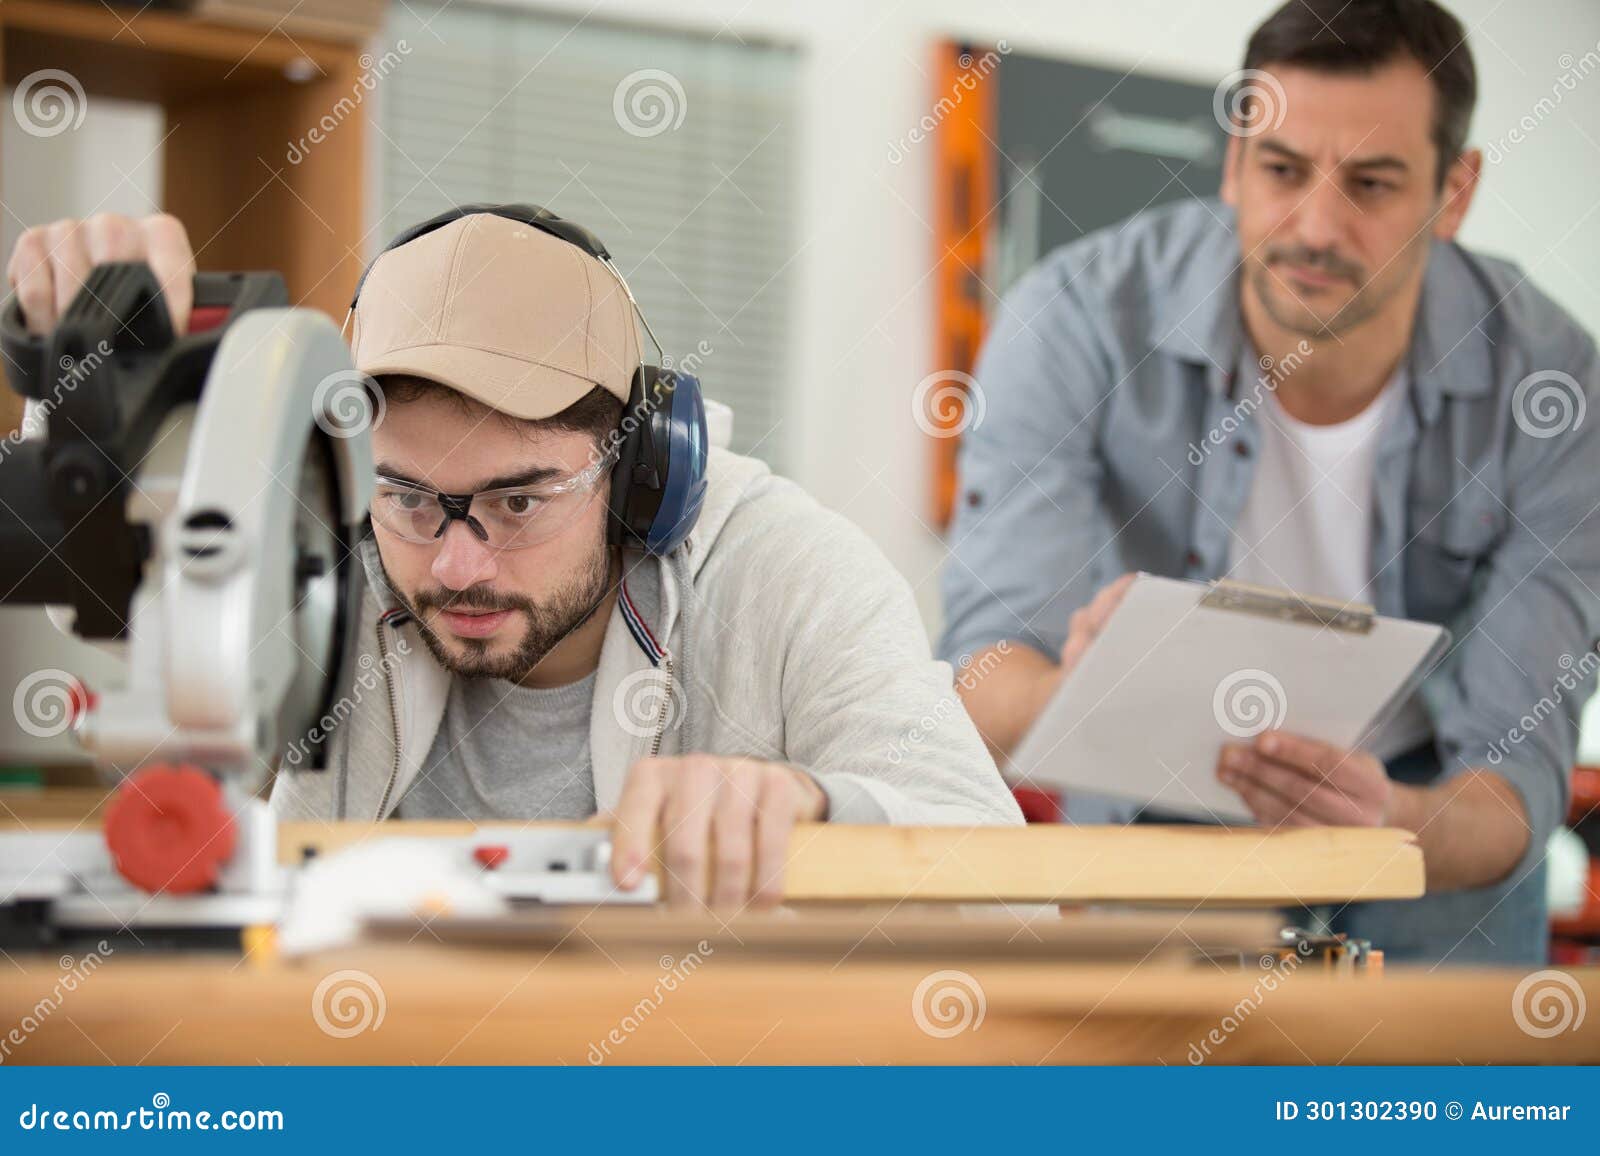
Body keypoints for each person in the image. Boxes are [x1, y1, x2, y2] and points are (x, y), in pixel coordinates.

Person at [7, 206, 1022, 910]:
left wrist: (812, 803)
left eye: (520, 500)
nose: (454, 564)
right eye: (409, 496)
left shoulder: (791, 569)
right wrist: (88, 359)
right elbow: (110, 555)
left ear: (639, 475)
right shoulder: (330, 537)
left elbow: (1002, 884)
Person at [940, 0, 1600, 964]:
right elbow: (979, 676)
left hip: (1421, 826)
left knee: (1447, 1111)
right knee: (1169, 1111)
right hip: (1152, 792)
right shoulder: (1074, 321)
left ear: (1453, 193)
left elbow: (1515, 778)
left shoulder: (1555, 385)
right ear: (1236, 159)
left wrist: (1389, 821)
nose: (1317, 227)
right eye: (1284, 170)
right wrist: (1079, 698)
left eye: (1372, 184)